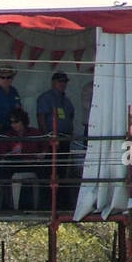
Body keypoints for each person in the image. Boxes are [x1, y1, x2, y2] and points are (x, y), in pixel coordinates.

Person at [35, 71, 77, 207]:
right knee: (50, 171)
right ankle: (48, 203)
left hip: (65, 140)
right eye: (60, 81)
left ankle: (61, 203)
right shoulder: (46, 98)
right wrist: (47, 137)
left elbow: (70, 118)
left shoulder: (67, 100)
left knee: (62, 171)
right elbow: (41, 118)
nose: (63, 84)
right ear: (53, 82)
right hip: (52, 139)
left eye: (65, 81)